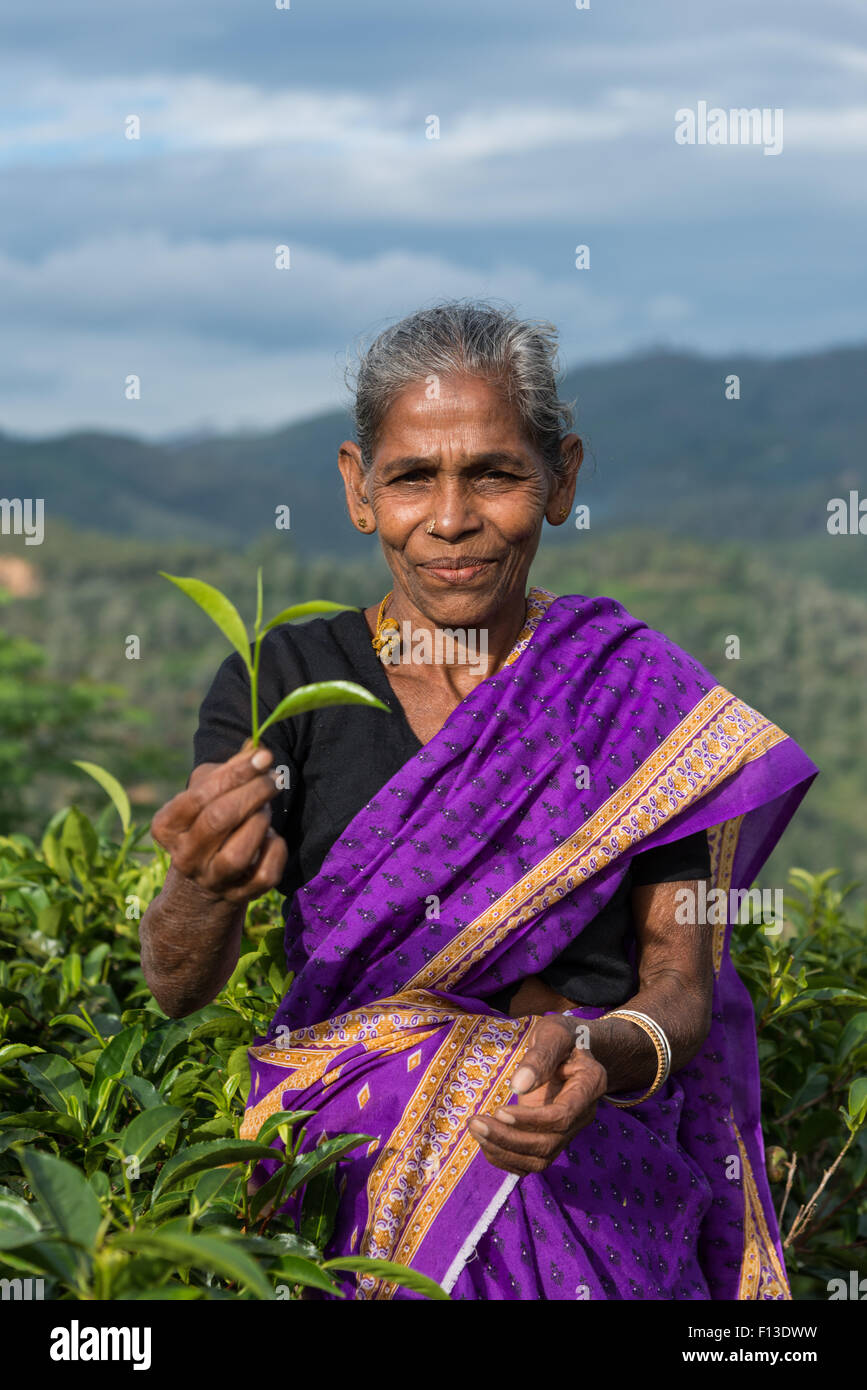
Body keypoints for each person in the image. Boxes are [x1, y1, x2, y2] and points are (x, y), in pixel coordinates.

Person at [140, 301, 818, 1301]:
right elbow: (176, 984)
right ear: (358, 488)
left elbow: (681, 982)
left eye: (494, 473)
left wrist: (601, 1053)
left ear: (561, 479)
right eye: (413, 476)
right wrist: (203, 887)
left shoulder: (635, 698)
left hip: (592, 1170)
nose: (451, 519)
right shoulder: (284, 680)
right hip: (357, 1177)